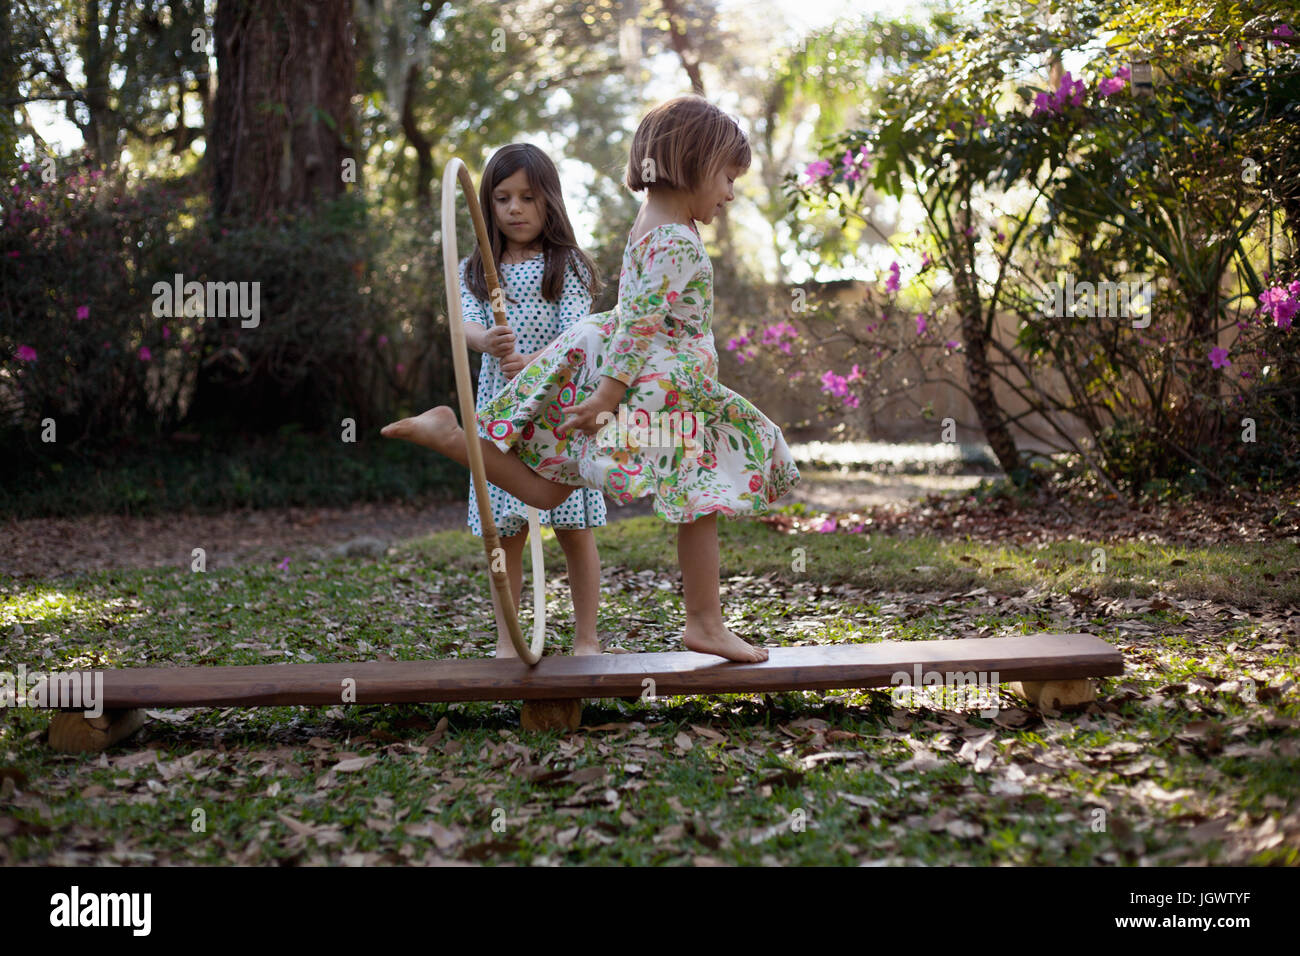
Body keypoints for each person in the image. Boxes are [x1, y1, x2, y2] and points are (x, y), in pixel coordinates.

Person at [384, 95, 800, 663]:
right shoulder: (673, 237)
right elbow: (639, 324)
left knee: (553, 488)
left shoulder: (652, 222)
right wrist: (608, 396)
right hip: (656, 389)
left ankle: (453, 438)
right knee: (702, 496)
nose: (729, 192)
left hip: (641, 381)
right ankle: (704, 621)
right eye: (728, 177)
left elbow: (634, 318)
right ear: (696, 161)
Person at [458, 143, 606, 658]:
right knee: (504, 531)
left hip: (556, 411)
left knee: (574, 526)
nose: (514, 209)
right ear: (487, 206)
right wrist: (485, 342)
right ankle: (508, 640)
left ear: (550, 202)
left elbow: (578, 332)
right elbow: (464, 321)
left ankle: (586, 639)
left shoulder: (569, 265)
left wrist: (538, 361)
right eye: (501, 198)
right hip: (500, 413)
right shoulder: (477, 268)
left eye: (527, 197)